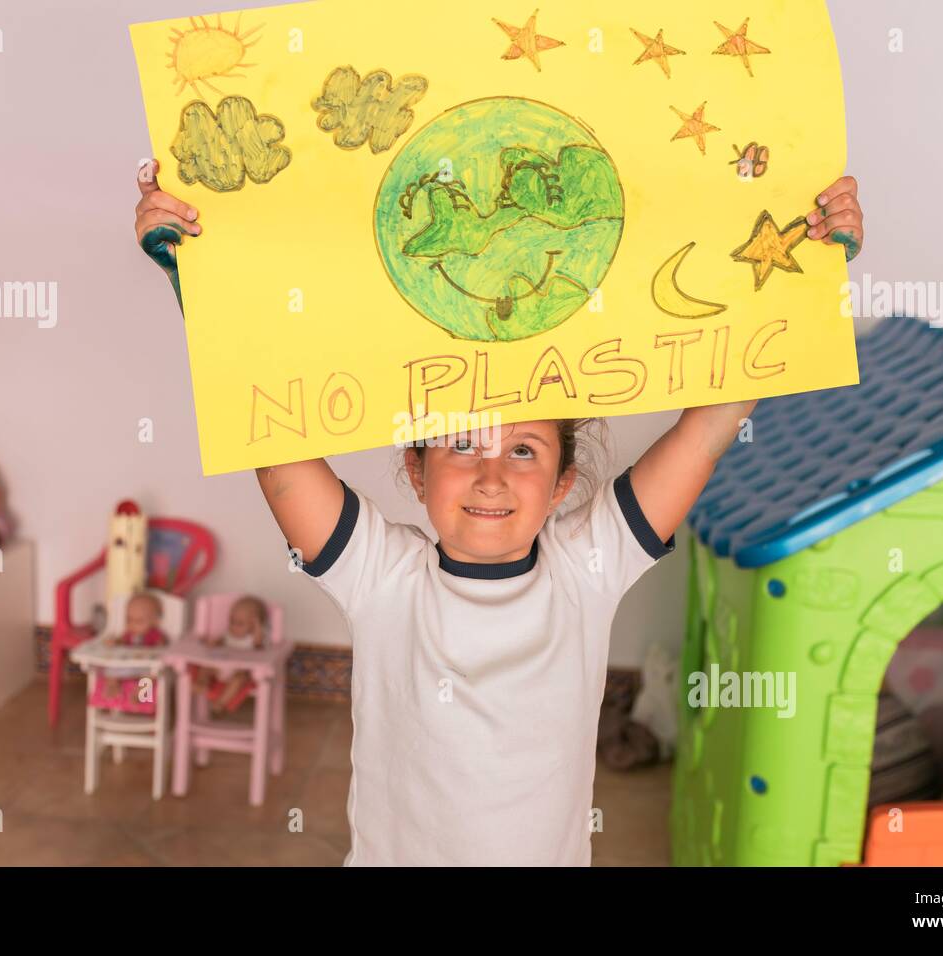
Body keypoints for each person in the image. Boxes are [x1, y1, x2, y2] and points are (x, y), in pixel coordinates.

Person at [133, 159, 864, 865]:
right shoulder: (380, 575)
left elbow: (710, 426)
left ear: (562, 482)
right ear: (415, 472)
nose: (490, 474)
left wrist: (809, 264)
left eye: (523, 452)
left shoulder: (589, 566)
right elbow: (270, 439)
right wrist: (198, 282)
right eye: (461, 444)